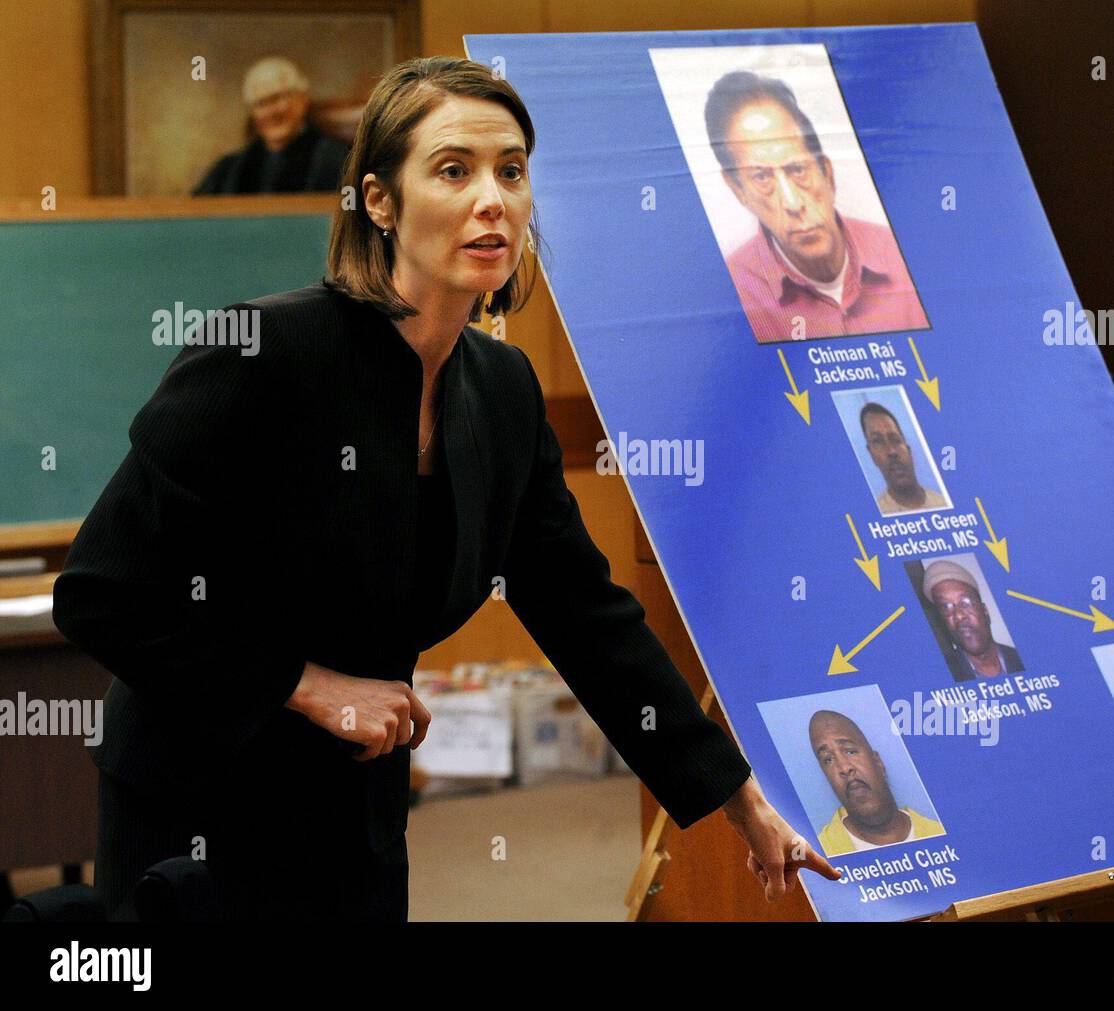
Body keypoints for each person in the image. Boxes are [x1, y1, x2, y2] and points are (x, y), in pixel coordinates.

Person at [54, 56, 837, 921]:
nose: (491, 199)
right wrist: (307, 683)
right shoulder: (260, 356)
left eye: (511, 170)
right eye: (453, 170)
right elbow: (104, 593)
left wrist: (737, 795)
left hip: (359, 799)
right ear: (379, 201)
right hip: (197, 795)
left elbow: (587, 616)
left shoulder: (500, 390)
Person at [703, 70, 928, 343]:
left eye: (798, 169)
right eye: (762, 177)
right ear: (739, 191)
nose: (793, 203)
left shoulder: (905, 254)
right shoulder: (729, 294)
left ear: (827, 172)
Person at [193, 57, 351, 195]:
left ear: (302, 100)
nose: (270, 112)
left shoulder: (338, 159)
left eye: (277, 98)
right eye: (260, 104)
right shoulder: (229, 170)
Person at [809, 711, 943, 857]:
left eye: (850, 751)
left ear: (878, 762)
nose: (844, 768)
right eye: (828, 759)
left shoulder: (938, 832)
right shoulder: (818, 855)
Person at [921, 560, 1024, 680]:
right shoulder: (939, 677)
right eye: (946, 607)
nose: (959, 616)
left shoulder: (1023, 658)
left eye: (966, 602)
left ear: (985, 611)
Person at [860, 402, 946, 514]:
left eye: (895, 439)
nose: (891, 451)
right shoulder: (876, 515)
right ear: (871, 455)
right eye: (878, 442)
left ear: (908, 449)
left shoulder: (942, 502)